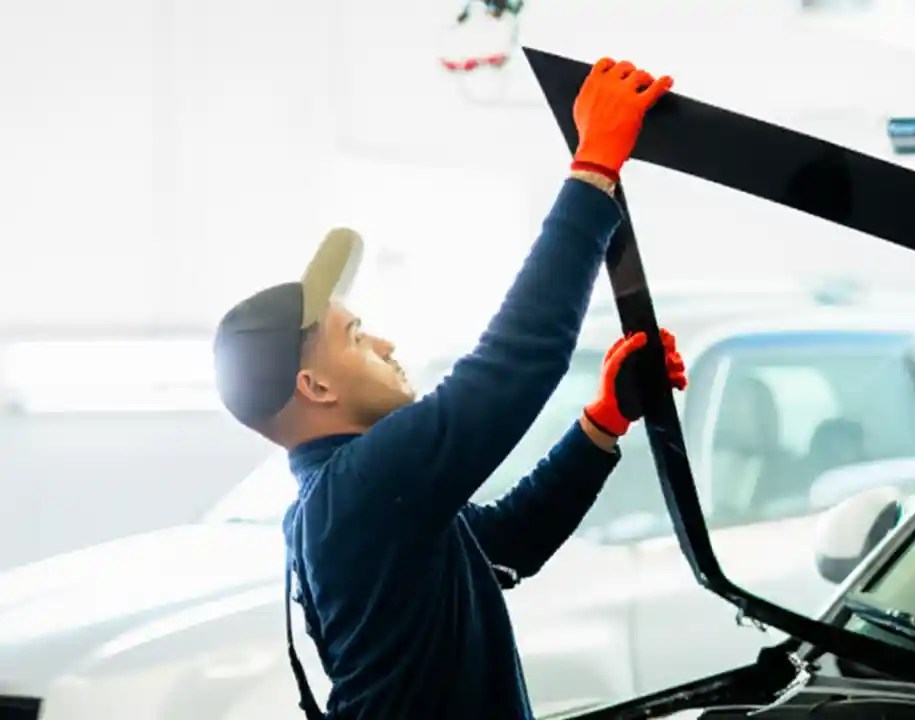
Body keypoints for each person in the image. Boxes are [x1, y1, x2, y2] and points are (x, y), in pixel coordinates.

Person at [211, 57, 679, 719]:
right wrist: (593, 170)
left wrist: (602, 423)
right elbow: (511, 365)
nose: (386, 346)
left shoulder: (345, 506)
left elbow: (502, 548)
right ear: (314, 385)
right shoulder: (361, 489)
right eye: (356, 336)